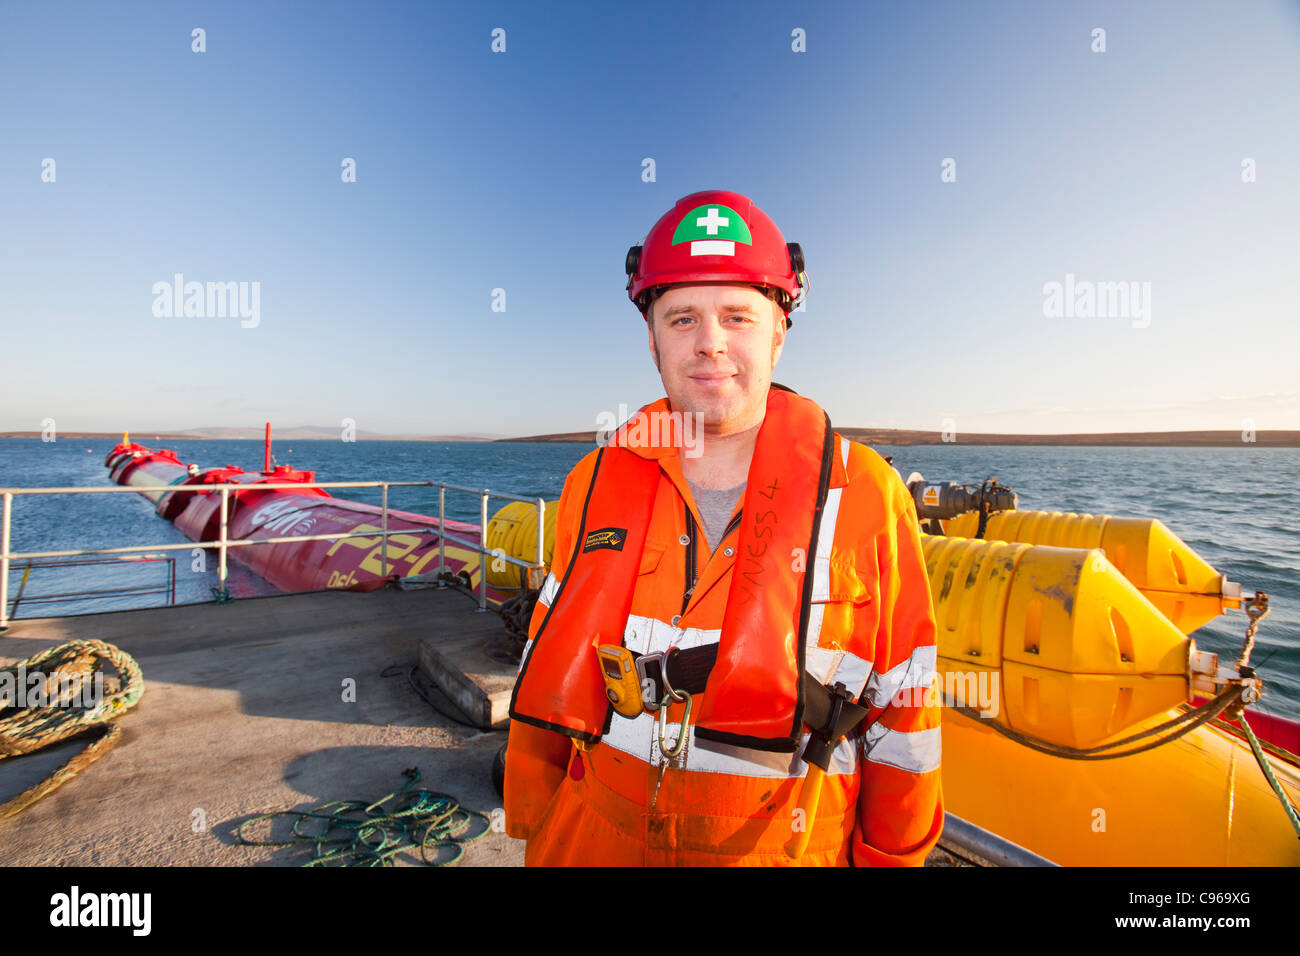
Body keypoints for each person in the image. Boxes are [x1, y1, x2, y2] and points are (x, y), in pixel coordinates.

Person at [504, 189, 943, 866]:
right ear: (651, 338)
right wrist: (532, 821)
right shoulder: (591, 483)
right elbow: (548, 662)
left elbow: (906, 715)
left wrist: (893, 859)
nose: (710, 342)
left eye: (738, 315)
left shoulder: (867, 496)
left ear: (779, 331)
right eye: (682, 318)